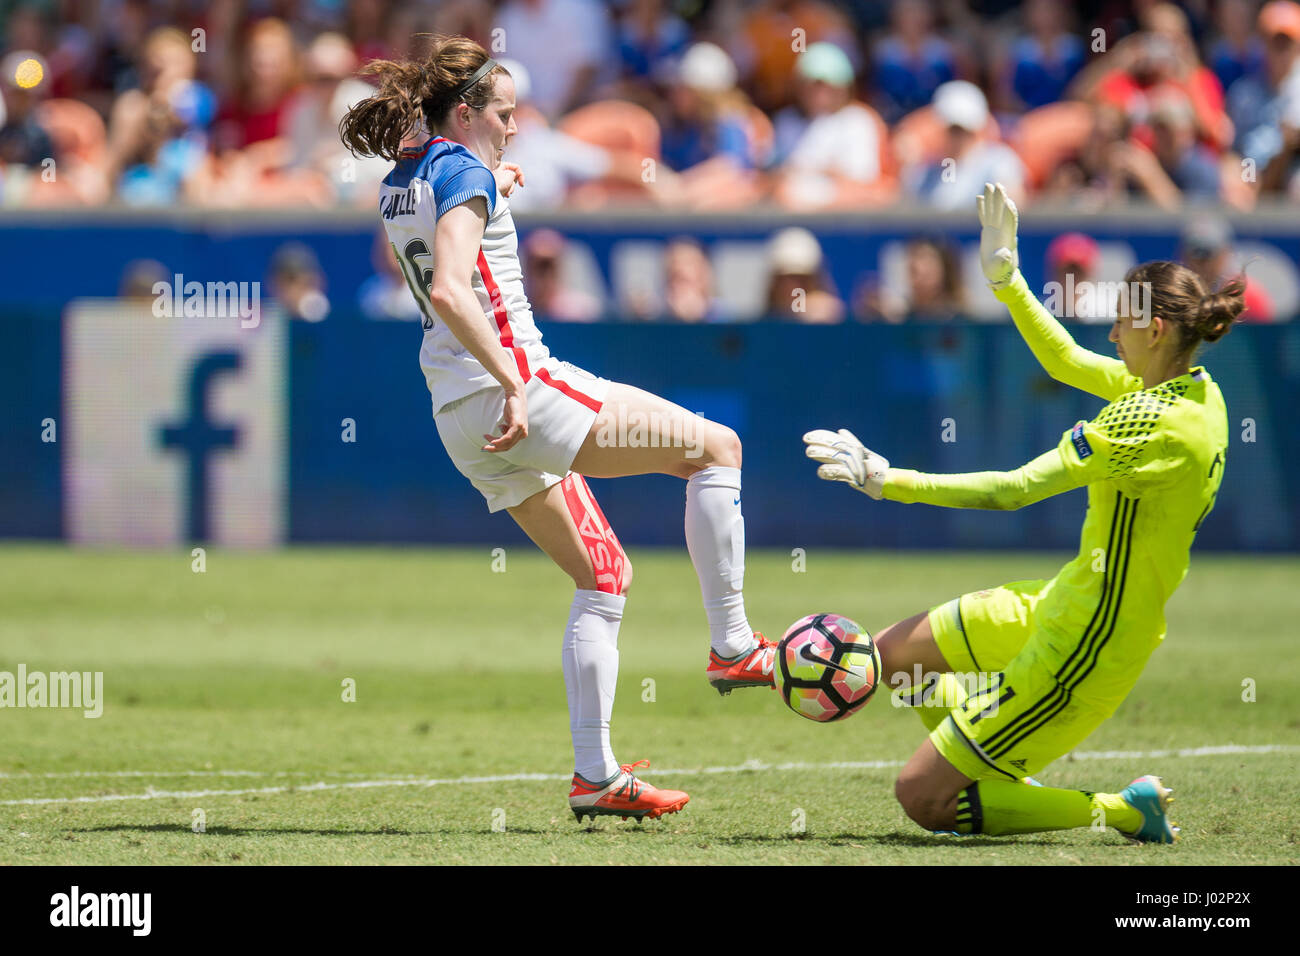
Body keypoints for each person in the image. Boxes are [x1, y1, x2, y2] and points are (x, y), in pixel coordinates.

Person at [338, 35, 772, 824]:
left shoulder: (407, 176)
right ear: (466, 112)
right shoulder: (463, 169)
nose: (516, 125)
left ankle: (595, 775)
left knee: (603, 580)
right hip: (519, 391)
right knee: (719, 449)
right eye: (505, 114)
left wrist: (495, 183)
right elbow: (451, 289)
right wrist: (510, 377)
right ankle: (735, 644)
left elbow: (450, 218)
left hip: (454, 413)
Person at [802, 184, 1240, 843]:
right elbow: (1065, 359)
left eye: (1122, 321)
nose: (1112, 332)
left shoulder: (1152, 422)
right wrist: (1007, 279)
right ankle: (1000, 774)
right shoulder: (1189, 388)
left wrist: (890, 481)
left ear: (1153, 330)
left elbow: (1011, 490)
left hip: (1090, 644)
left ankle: (1122, 810)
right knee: (892, 659)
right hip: (1064, 602)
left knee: (921, 796)